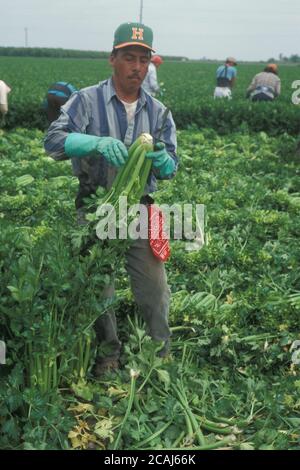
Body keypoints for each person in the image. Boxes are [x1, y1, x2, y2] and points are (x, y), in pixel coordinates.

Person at [44, 22, 178, 376]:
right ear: (112, 59)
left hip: (139, 210)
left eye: (143, 59)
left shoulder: (160, 112)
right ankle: (108, 356)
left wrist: (164, 162)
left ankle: (159, 356)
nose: (137, 66)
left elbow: (171, 166)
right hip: (95, 208)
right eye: (129, 57)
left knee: (155, 289)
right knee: (99, 288)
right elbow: (53, 141)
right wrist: (94, 142)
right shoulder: (86, 100)